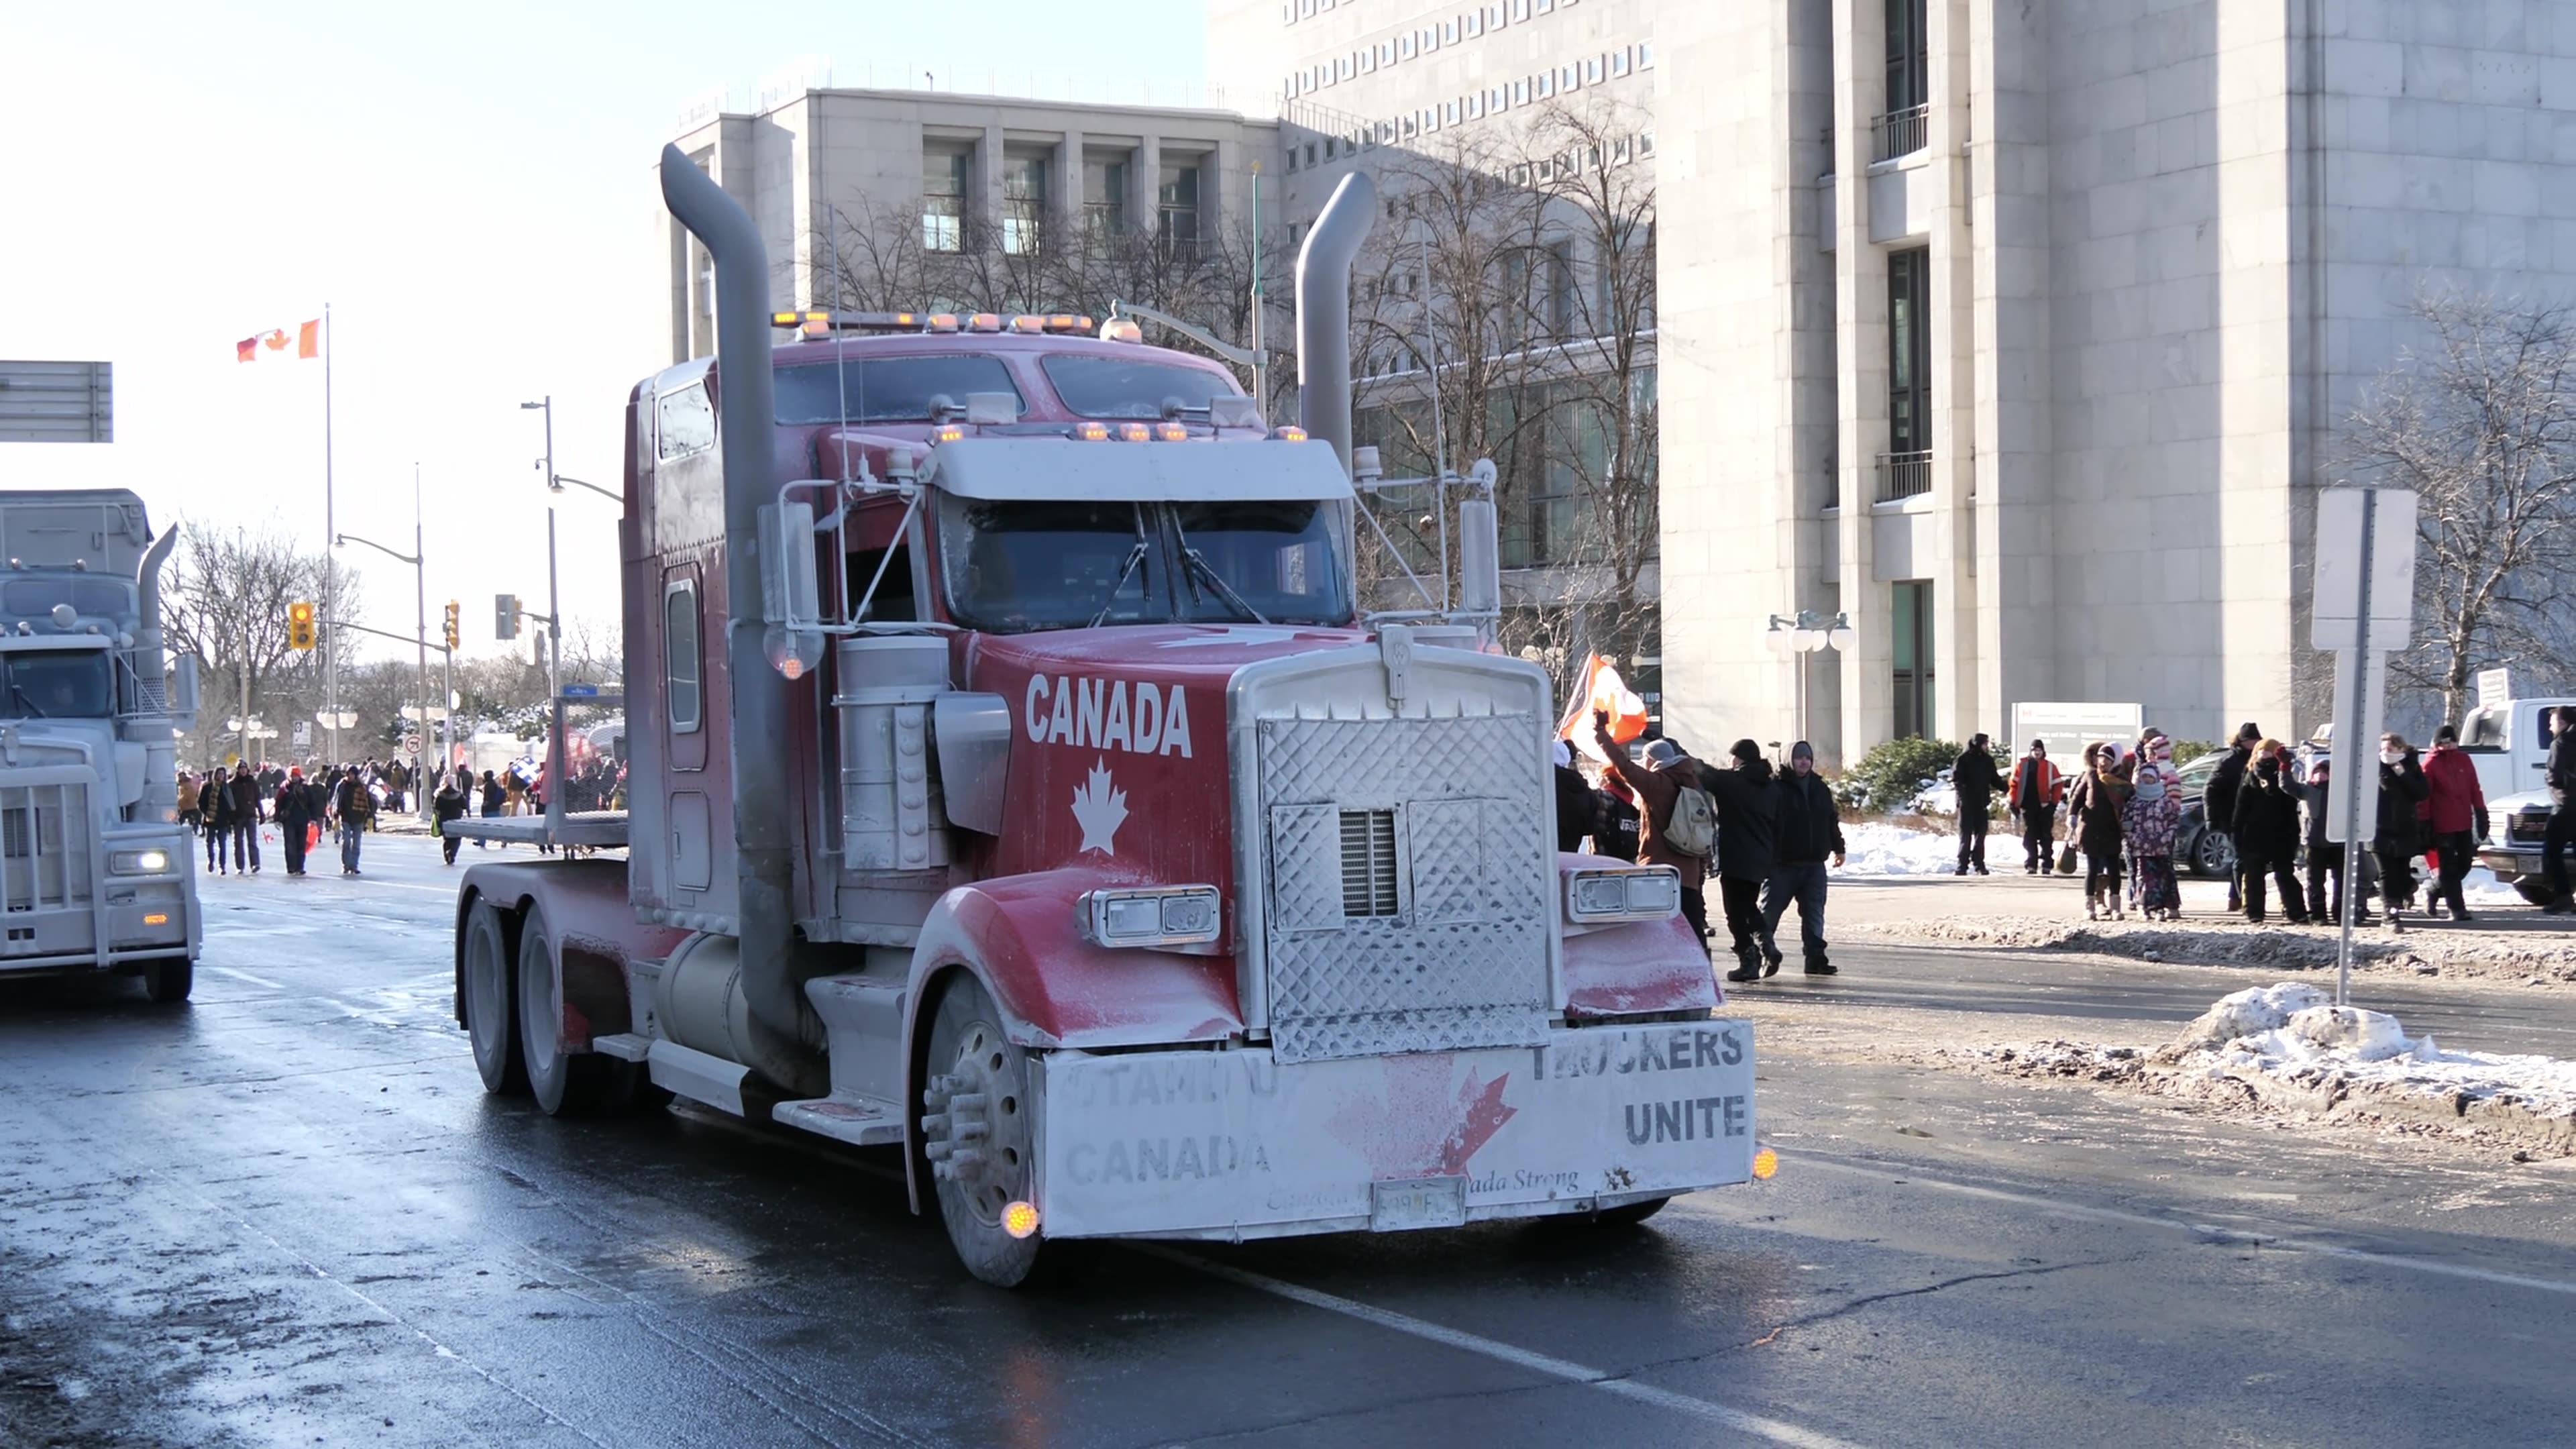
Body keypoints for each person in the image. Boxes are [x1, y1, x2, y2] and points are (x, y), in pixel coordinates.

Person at [1592, 712, 1713, 951]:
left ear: (1651, 760)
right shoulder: (1693, 783)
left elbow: (1622, 765)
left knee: (1655, 932)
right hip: (1689, 873)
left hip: (1658, 871)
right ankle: (1702, 974)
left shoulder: (1656, 784)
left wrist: (1601, 732)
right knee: (1693, 932)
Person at [1760, 741, 1846, 975]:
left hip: (1814, 865)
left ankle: (1816, 958)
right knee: (1769, 913)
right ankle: (1764, 953)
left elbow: (1830, 820)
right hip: (1782, 865)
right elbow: (1765, 825)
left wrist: (1839, 848)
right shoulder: (1775, 787)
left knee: (1814, 913)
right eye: (1799, 757)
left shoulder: (1819, 787)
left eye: (1808, 757)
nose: (1804, 762)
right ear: (1789, 759)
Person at [1699, 740, 1780, 984]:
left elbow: (1701, 770)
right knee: (1748, 905)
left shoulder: (1732, 782)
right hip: (1761, 857)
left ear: (1738, 758)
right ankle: (1767, 945)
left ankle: (1749, 961)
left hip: (1736, 858)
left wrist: (1673, 749)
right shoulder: (1771, 786)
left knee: (1735, 912)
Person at [2232, 739, 2308, 924]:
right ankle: (2254, 912)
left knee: (2285, 874)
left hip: (2281, 833)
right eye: (2260, 750)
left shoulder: (2283, 773)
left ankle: (2295, 910)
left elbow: (2290, 804)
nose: (2263, 754)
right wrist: (2236, 833)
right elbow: (2241, 807)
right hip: (2254, 834)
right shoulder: (2250, 775)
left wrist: (2293, 835)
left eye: (2268, 750)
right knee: (2254, 875)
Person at [2290, 757, 2371, 926]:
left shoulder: (2344, 791)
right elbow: (2288, 787)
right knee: (2315, 881)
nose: (2320, 775)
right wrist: (2284, 768)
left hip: (2339, 842)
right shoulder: (2308, 790)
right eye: (2317, 771)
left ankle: (2341, 913)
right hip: (2314, 843)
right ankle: (2318, 914)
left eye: (2324, 772)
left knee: (2341, 879)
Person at [2421, 722, 2489, 922]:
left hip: (2464, 821)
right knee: (2449, 867)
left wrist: (2481, 812)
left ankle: (2433, 889)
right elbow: (2425, 798)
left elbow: (2474, 788)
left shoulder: (2464, 760)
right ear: (2437, 744)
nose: (2448, 746)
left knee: (2466, 862)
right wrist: (2425, 823)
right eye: (2444, 743)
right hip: (2442, 824)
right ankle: (2457, 908)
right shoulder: (2430, 765)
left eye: (2451, 742)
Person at [2066, 743, 2133, 919]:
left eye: (2107, 760)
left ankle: (2116, 907)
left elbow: (2130, 802)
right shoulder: (2090, 775)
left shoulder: (2120, 780)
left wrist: (2129, 821)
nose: (2103, 763)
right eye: (2100, 758)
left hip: (2111, 829)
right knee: (2092, 869)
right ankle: (2089, 907)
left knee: (2113, 869)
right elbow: (2077, 798)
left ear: (2114, 763)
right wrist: (2072, 815)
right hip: (2091, 829)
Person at [2125, 730, 2185, 920]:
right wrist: (2133, 838)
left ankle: (2167, 906)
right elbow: (2128, 821)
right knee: (2145, 877)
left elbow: (2173, 813)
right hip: (2142, 845)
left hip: (2161, 842)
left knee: (2165, 874)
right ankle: (2146, 905)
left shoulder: (2165, 788)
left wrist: (2167, 835)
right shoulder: (2137, 800)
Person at [2204, 722, 2261, 913]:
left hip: (2255, 819)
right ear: (2243, 741)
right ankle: (2238, 898)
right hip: (2233, 818)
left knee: (2249, 861)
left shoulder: (2259, 760)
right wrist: (2212, 819)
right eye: (2251, 740)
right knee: (2240, 860)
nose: (2254, 744)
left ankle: (2237, 898)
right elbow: (2211, 791)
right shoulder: (2228, 762)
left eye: (2257, 740)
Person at [2373, 734, 2430, 916]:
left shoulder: (2411, 766)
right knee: (2386, 873)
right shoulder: (2374, 766)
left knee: (2401, 870)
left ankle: (2408, 887)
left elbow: (2421, 793)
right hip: (2378, 827)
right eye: (2383, 749)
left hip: (2404, 827)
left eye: (2390, 749)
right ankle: (2390, 912)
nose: (2386, 753)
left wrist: (2403, 774)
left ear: (2401, 750)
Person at [2007, 739, 2064, 873]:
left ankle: (2047, 863)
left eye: (2039, 750)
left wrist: (2053, 804)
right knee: (2030, 836)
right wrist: (2013, 802)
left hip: (2045, 806)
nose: (2037, 752)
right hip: (2028, 806)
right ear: (2031, 751)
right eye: (2034, 750)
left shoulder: (2050, 766)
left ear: (2043, 751)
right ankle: (2031, 863)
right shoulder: (2023, 765)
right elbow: (2014, 785)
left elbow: (2058, 786)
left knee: (2046, 836)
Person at [1951, 733, 2002, 876]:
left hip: (1982, 803)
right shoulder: (1963, 759)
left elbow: (1995, 779)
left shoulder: (1987, 760)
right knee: (1965, 835)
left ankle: (1979, 864)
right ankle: (1962, 865)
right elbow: (1957, 781)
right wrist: (1962, 798)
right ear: (1977, 744)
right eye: (1985, 744)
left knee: (1981, 836)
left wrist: (2008, 788)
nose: (1987, 746)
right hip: (1966, 804)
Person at [2544, 706, 2576, 913]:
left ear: (2563, 724)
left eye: (2552, 722)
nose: (2550, 727)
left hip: (2566, 805)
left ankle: (2563, 895)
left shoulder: (2561, 743)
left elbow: (2554, 776)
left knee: (2551, 852)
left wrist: (2549, 778)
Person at [273, 766, 323, 876]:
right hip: (289, 821)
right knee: (290, 844)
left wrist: (313, 818)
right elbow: (279, 804)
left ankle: (300, 867)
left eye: (296, 776)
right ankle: (291, 867)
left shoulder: (305, 789)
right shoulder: (284, 788)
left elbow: (312, 804)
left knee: (301, 845)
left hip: (302, 820)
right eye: (292, 776)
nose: (294, 778)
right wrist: (277, 819)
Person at [1552, 740, 1598, 854]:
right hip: (1571, 852)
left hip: (1543, 851)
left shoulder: (1545, 786)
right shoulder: (1583, 789)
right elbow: (1589, 827)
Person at [223, 761, 263, 875]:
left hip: (250, 815)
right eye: (241, 769)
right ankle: (240, 866)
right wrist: (230, 818)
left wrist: (261, 813)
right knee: (238, 842)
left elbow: (257, 799)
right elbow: (229, 803)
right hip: (238, 817)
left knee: (252, 841)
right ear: (238, 770)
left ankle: (255, 863)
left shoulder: (252, 783)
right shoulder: (232, 784)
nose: (243, 770)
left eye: (245, 768)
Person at [333, 764, 373, 875]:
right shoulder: (343, 785)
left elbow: (368, 802)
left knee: (356, 844)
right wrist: (336, 813)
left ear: (356, 775)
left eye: (352, 774)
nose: (350, 776)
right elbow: (336, 799)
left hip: (359, 818)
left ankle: (354, 866)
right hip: (345, 817)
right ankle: (346, 865)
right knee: (346, 841)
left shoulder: (362, 787)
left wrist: (370, 817)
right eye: (349, 774)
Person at [1595, 775, 1642, 864]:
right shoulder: (1629, 803)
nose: (1597, 780)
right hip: (1627, 862)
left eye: (1600, 777)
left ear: (1607, 779)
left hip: (1602, 861)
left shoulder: (1603, 798)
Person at [434, 769, 470, 865]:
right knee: (457, 839)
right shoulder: (458, 795)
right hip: (456, 819)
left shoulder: (440, 795)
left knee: (447, 839)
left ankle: (447, 856)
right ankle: (452, 853)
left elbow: (436, 807)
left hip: (444, 820)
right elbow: (464, 806)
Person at [199, 771, 231, 873]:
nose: (221, 776)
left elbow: (231, 803)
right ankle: (211, 860)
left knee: (222, 843)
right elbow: (201, 802)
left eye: (223, 774)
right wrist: (207, 812)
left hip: (223, 819)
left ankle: (222, 866)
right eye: (219, 774)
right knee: (210, 842)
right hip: (211, 819)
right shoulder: (208, 787)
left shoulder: (226, 788)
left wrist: (230, 818)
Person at [478, 769, 505, 848]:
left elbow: (487, 798)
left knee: (484, 826)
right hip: (495, 807)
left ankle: (482, 841)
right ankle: (503, 840)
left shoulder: (488, 785)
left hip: (488, 808)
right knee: (497, 826)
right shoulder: (494, 784)